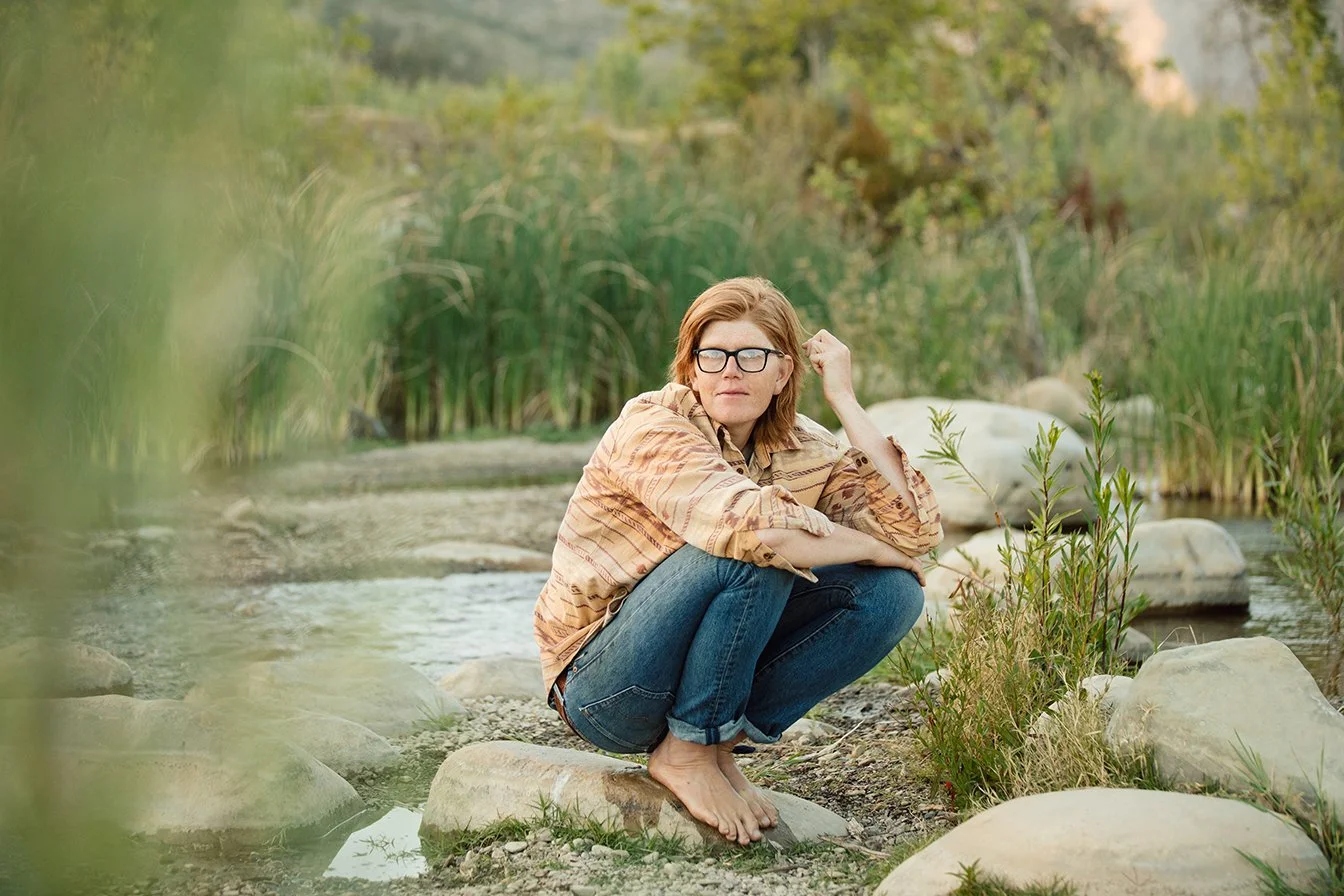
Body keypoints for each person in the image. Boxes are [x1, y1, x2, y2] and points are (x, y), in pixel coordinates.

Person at [533, 276, 942, 846]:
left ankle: (711, 746)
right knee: (749, 552)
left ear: (783, 374)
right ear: (691, 368)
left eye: (752, 356)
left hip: (699, 672)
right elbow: (755, 531)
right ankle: (687, 752)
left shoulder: (803, 445)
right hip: (607, 683)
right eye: (714, 355)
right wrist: (870, 546)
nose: (731, 370)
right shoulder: (652, 426)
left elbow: (913, 530)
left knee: (893, 593)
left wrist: (845, 398)